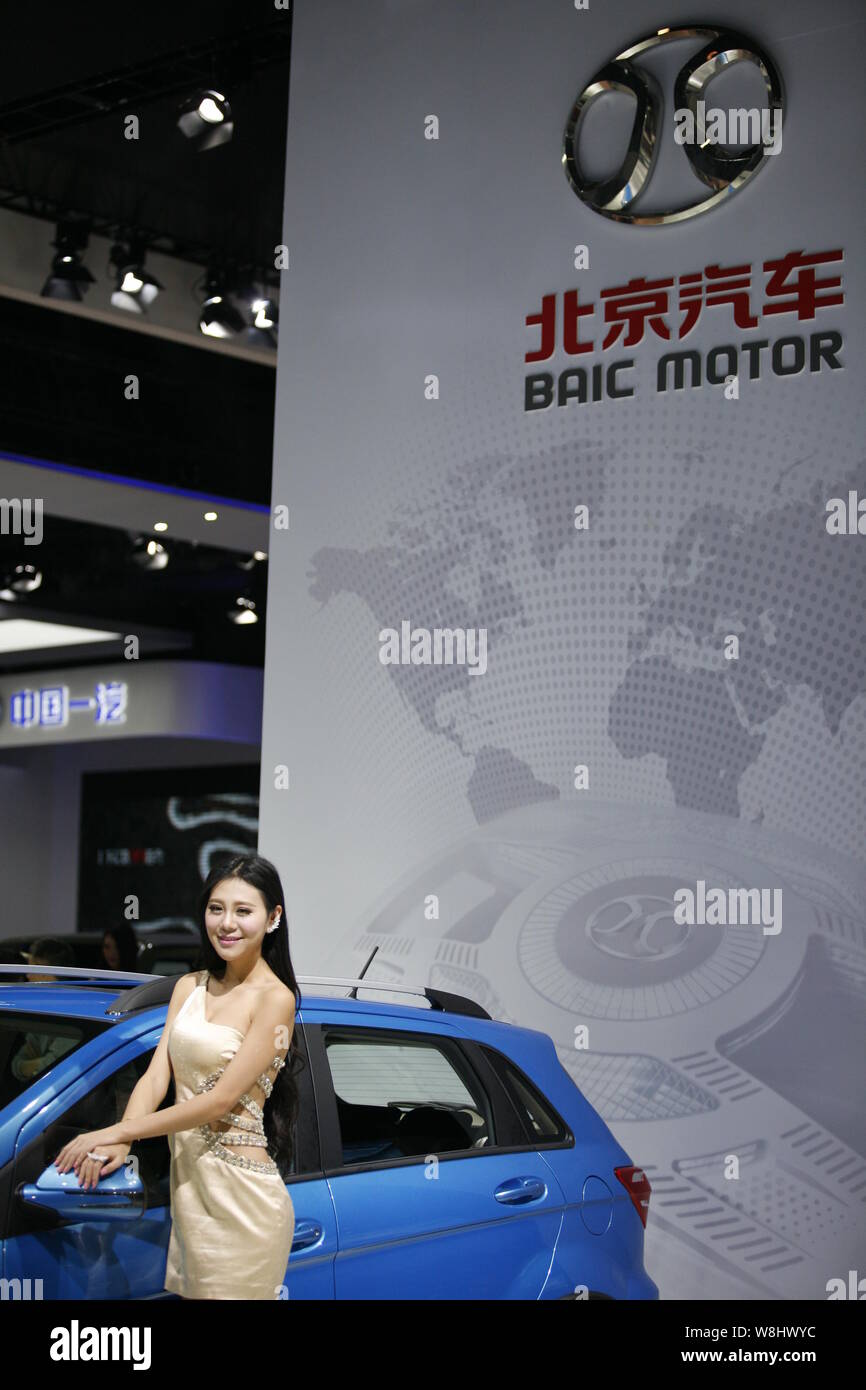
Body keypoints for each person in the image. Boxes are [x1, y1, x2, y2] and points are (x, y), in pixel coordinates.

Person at [53, 853, 303, 1300]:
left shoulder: (275, 999)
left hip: (242, 1199)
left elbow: (219, 1101)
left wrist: (112, 1129)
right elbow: (156, 1077)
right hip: (191, 1193)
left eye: (243, 911)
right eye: (216, 908)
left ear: (273, 918)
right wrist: (120, 1143)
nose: (227, 923)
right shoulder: (189, 986)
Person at [11, 938, 79, 1083]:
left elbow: (53, 1067)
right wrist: (34, 1065)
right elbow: (16, 1064)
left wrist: (31, 1065)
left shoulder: (73, 1015)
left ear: (50, 972)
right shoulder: (44, 1012)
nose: (28, 976)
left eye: (33, 968)